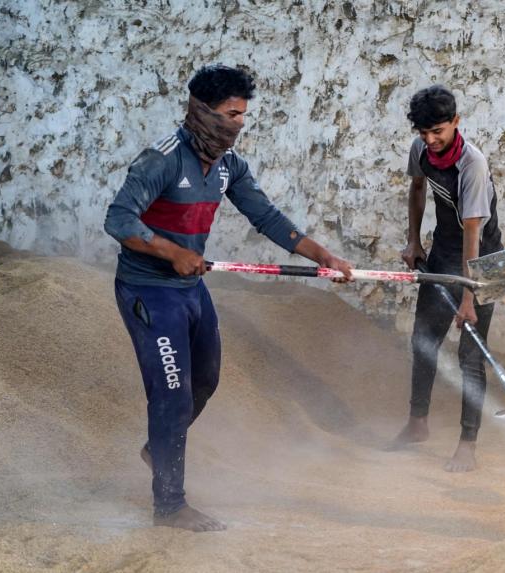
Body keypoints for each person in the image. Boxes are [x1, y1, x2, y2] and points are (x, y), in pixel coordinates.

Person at [104, 64, 353, 532]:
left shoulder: (229, 167)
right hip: (147, 291)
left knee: (206, 381)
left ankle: (159, 447)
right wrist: (171, 250)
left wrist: (325, 257)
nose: (238, 125)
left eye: (243, 116)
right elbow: (119, 221)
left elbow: (270, 219)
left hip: (190, 290)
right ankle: (170, 507)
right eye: (230, 114)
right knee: (172, 396)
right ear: (201, 112)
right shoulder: (160, 160)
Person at [391, 85, 504, 472]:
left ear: (456, 122)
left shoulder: (473, 164)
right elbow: (418, 189)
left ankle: (467, 446)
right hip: (441, 253)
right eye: (423, 133)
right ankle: (417, 423)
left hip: (482, 261)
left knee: (470, 355)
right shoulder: (421, 150)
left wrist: (469, 298)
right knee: (424, 339)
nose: (430, 140)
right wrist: (413, 240)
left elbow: (473, 231)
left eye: (437, 131)